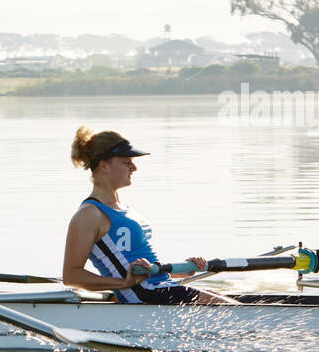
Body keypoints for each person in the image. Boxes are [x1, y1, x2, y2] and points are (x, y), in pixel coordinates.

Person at [62, 126, 233, 304]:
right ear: (104, 165)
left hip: (159, 288)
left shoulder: (125, 208)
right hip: (144, 295)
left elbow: (141, 265)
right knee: (230, 308)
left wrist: (181, 270)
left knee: (242, 301)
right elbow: (71, 275)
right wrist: (123, 283)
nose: (134, 168)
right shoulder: (88, 215)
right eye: (127, 162)